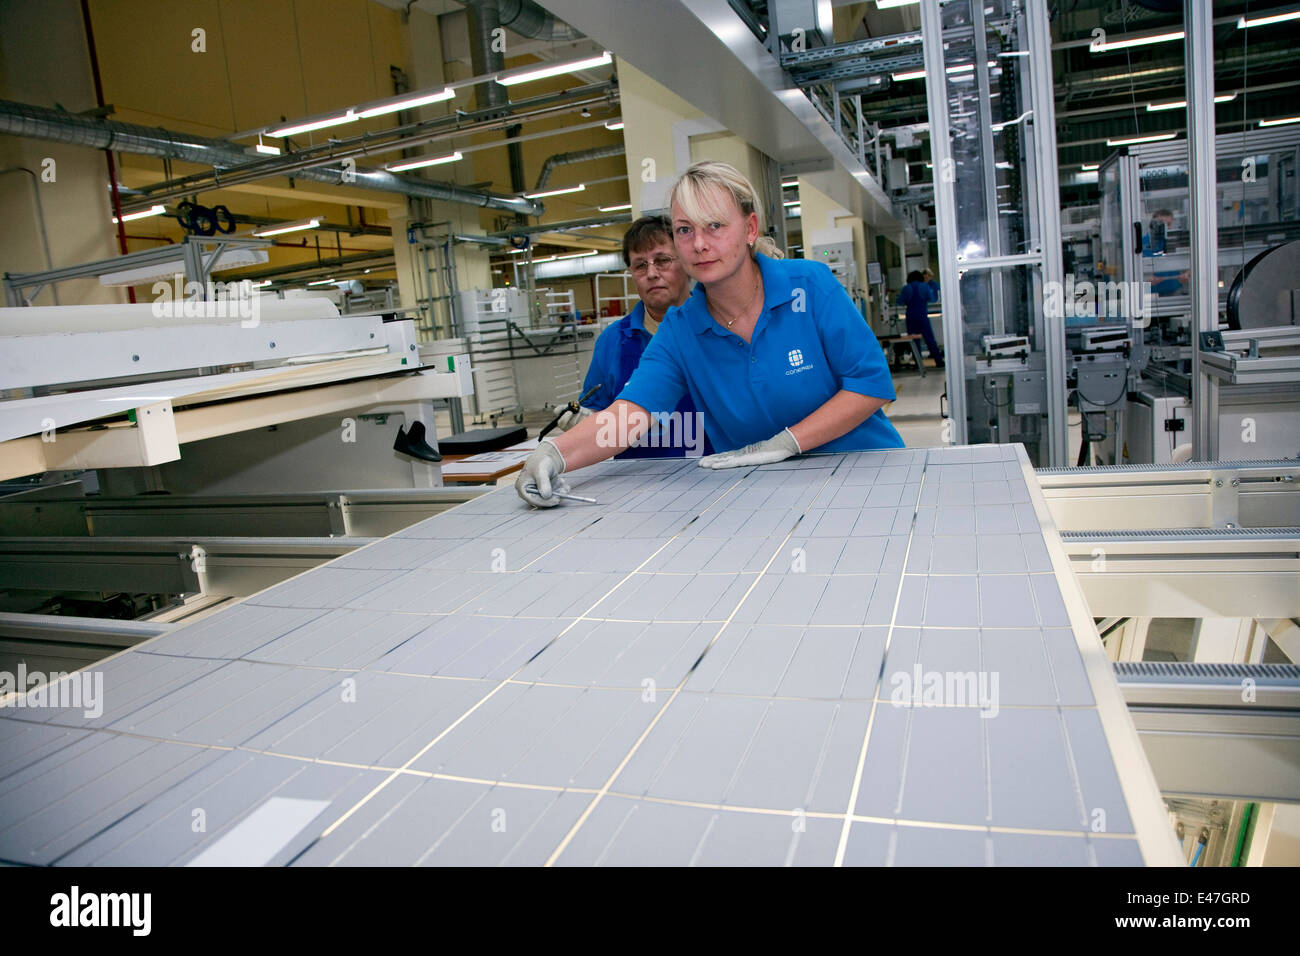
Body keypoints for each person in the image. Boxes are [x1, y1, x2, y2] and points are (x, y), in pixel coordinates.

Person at [516, 160, 903, 508]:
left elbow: (870, 384)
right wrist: (555, 453)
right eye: (685, 230)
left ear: (750, 228)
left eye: (715, 225)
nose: (699, 244)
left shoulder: (810, 286)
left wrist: (788, 443)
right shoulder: (680, 330)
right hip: (765, 499)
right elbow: (631, 413)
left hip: (865, 478)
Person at [551, 216, 709, 457]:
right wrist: (586, 419)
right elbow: (595, 411)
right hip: (633, 484)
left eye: (663, 260)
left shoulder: (718, 329)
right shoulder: (613, 341)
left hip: (711, 480)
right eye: (640, 265)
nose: (652, 273)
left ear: (687, 263)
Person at [897, 270, 944, 368]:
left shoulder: (906, 288)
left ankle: (918, 364)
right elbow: (932, 299)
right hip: (922, 315)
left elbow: (899, 302)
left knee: (914, 341)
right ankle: (938, 361)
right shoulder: (924, 286)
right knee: (930, 339)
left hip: (910, 317)